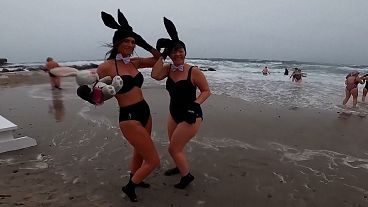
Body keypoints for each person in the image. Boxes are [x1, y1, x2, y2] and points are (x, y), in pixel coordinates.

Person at [97, 10, 161, 202]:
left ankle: (135, 178)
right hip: (128, 116)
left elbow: (158, 58)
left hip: (144, 111)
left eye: (133, 42)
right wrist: (100, 94)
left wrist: (143, 42)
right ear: (117, 43)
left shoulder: (135, 63)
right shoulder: (106, 67)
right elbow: (98, 96)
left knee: (140, 151)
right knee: (154, 161)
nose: (130, 45)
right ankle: (130, 187)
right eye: (127, 41)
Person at [151, 17, 211, 189]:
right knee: (175, 145)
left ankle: (187, 177)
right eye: (173, 52)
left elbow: (206, 91)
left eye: (181, 51)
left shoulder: (194, 71)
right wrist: (162, 54)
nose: (177, 54)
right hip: (174, 114)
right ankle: (179, 166)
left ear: (185, 52)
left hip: (191, 115)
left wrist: (195, 104)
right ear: (169, 54)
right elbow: (155, 75)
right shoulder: (168, 69)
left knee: (173, 149)